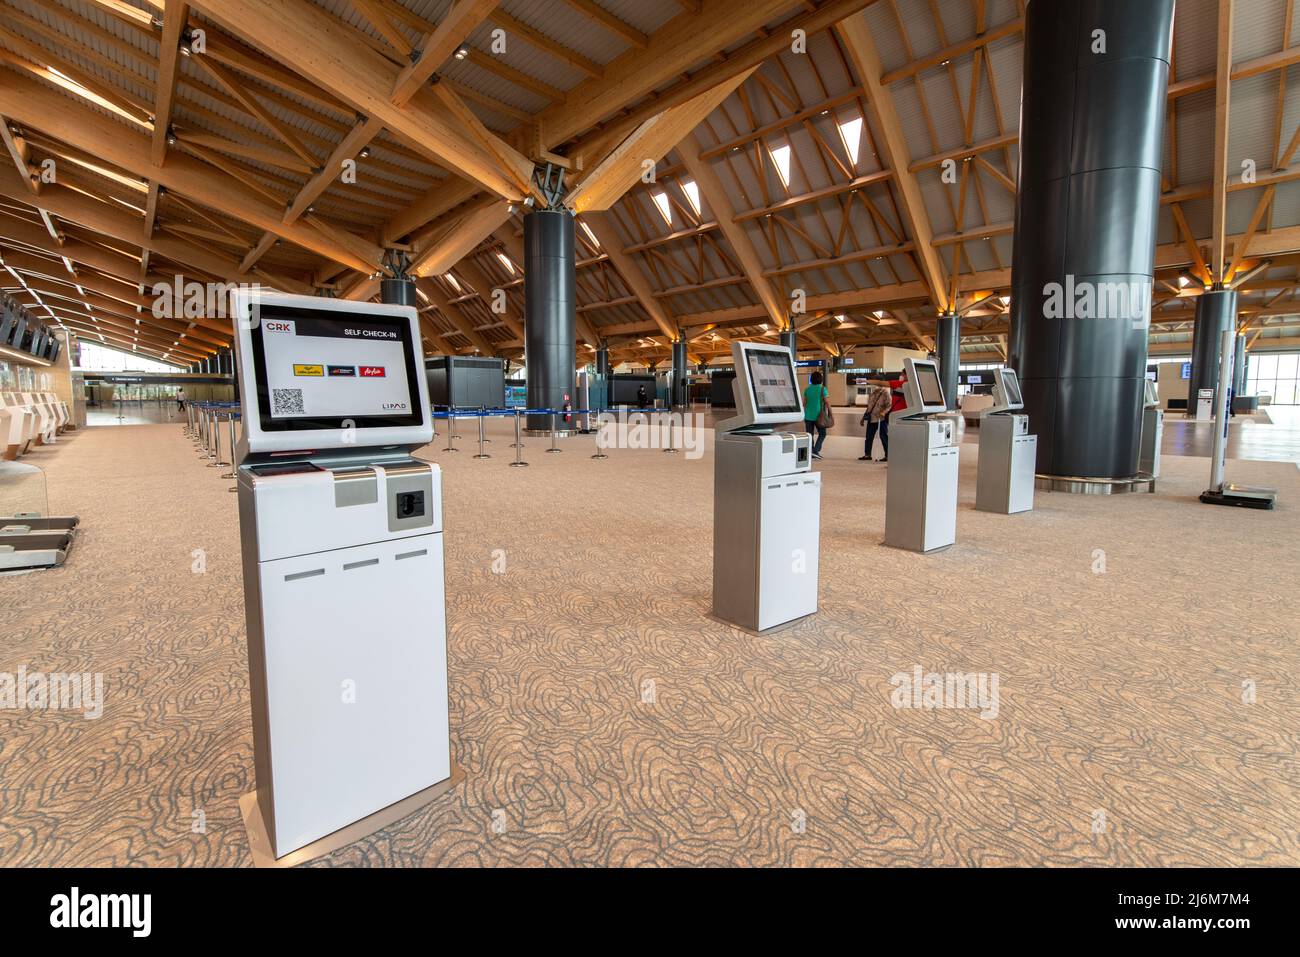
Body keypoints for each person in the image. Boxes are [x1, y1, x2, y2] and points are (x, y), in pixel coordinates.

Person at [858, 381, 891, 461]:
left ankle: (888, 455)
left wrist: (884, 412)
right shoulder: (872, 393)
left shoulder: (885, 393)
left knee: (884, 437)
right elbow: (869, 407)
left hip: (881, 419)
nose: (875, 386)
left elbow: (889, 405)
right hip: (871, 419)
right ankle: (867, 455)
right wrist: (863, 418)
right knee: (868, 437)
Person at [803, 371, 829, 459]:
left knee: (810, 435)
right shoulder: (822, 389)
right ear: (820, 379)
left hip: (808, 416)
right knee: (822, 434)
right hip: (819, 416)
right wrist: (831, 413)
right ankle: (815, 450)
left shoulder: (807, 389)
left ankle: (811, 451)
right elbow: (827, 402)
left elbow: (804, 403)